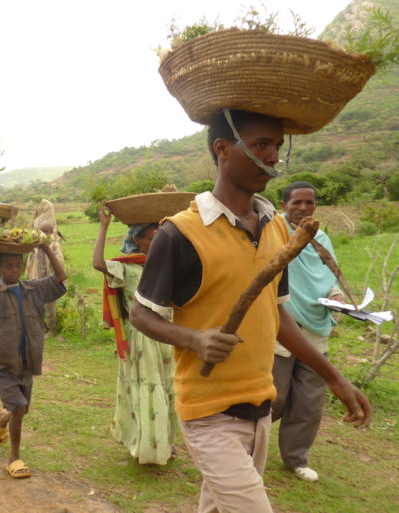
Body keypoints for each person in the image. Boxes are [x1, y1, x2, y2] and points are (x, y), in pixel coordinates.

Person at [129, 109, 371, 513]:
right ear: (222, 149)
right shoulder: (180, 232)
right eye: (261, 144)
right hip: (209, 413)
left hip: (260, 407)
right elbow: (141, 314)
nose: (274, 157)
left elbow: (277, 317)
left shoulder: (276, 228)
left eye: (277, 145)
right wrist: (195, 339)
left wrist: (335, 379)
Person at [0, 235, 67, 479]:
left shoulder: (33, 289)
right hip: (3, 365)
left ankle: (2, 417)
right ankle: (14, 457)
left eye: (17, 266)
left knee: (19, 411)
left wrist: (46, 247)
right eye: (8, 266)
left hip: (28, 363)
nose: (14, 271)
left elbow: (60, 277)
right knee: (20, 406)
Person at [272, 181, 345, 482]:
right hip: (283, 326)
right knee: (274, 395)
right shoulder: (274, 233)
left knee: (309, 400)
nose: (303, 208)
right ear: (284, 205)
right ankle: (244, 445)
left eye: (309, 203)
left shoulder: (322, 238)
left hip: (316, 326)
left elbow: (330, 276)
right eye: (296, 203)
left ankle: (296, 458)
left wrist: (336, 295)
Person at [92, 207, 176, 465]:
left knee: (169, 391)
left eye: (159, 238)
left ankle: (166, 444)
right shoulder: (126, 269)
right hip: (141, 339)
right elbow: (98, 263)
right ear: (137, 240)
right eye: (151, 238)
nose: (155, 243)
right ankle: (147, 447)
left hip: (168, 337)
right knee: (148, 390)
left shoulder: (165, 266)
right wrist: (104, 225)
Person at [25, 199, 65, 334]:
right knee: (36, 304)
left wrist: (58, 278)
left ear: (51, 231)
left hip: (49, 279)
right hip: (36, 278)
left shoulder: (54, 245)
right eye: (42, 232)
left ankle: (52, 329)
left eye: (47, 232)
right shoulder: (35, 245)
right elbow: (30, 262)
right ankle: (40, 328)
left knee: (50, 305)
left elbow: (60, 263)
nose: (44, 234)